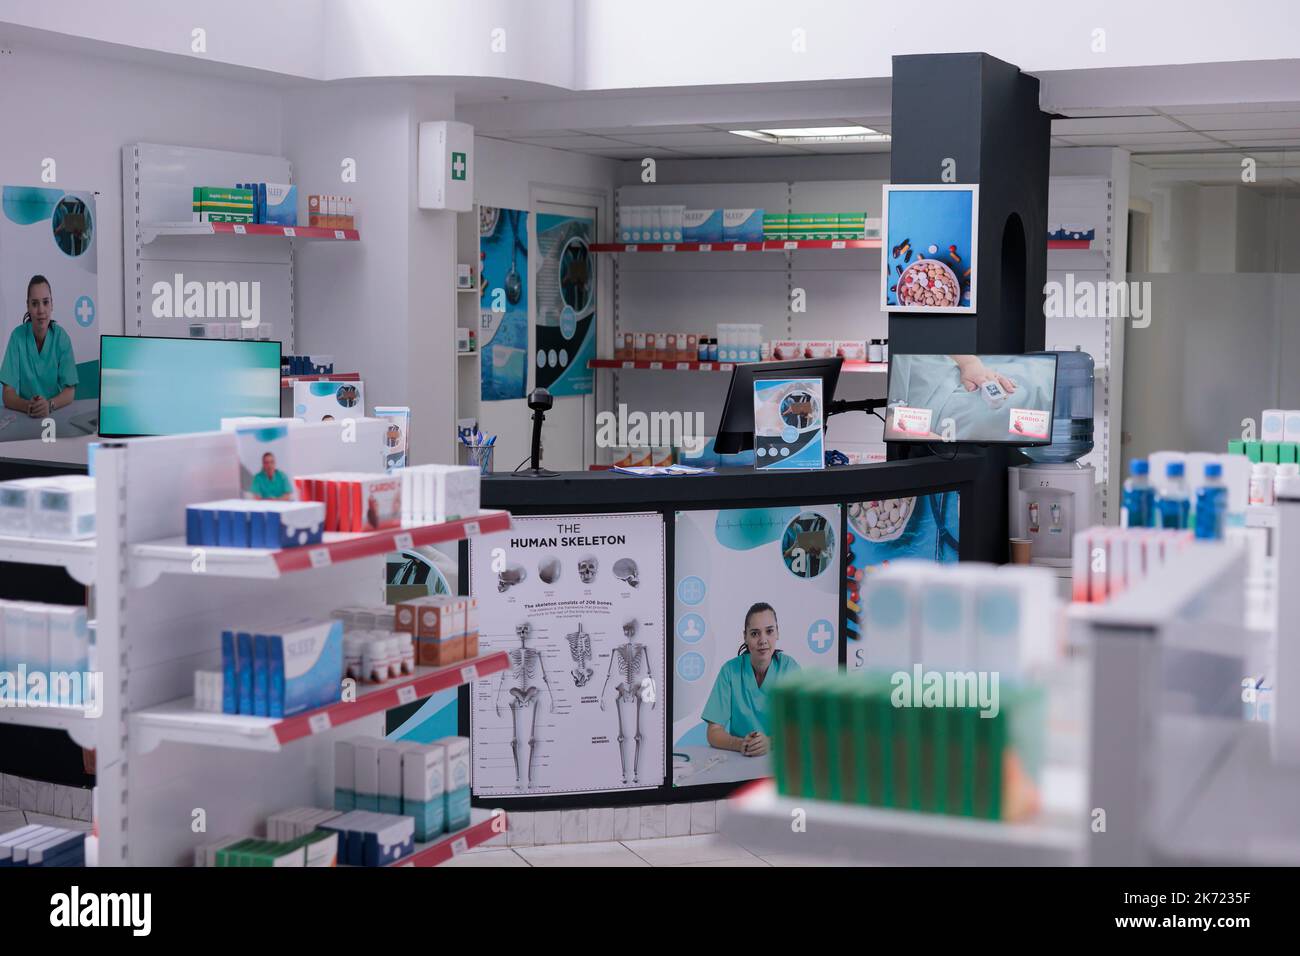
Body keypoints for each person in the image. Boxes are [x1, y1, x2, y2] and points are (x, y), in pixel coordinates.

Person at [702, 602, 800, 757]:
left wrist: (770, 742)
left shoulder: (789, 668)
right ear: (745, 637)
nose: (763, 640)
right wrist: (741, 744)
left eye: (769, 631)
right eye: (755, 633)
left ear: (777, 633)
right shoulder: (730, 671)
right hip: (740, 760)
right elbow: (713, 732)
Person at [1, 275, 78, 418]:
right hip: (25, 416)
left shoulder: (61, 338)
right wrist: (28, 406)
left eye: (45, 302)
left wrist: (49, 405)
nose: (41, 310)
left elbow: (70, 391)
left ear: (52, 304)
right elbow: (7, 394)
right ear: (28, 306)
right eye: (35, 303)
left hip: (55, 414)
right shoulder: (17, 337)